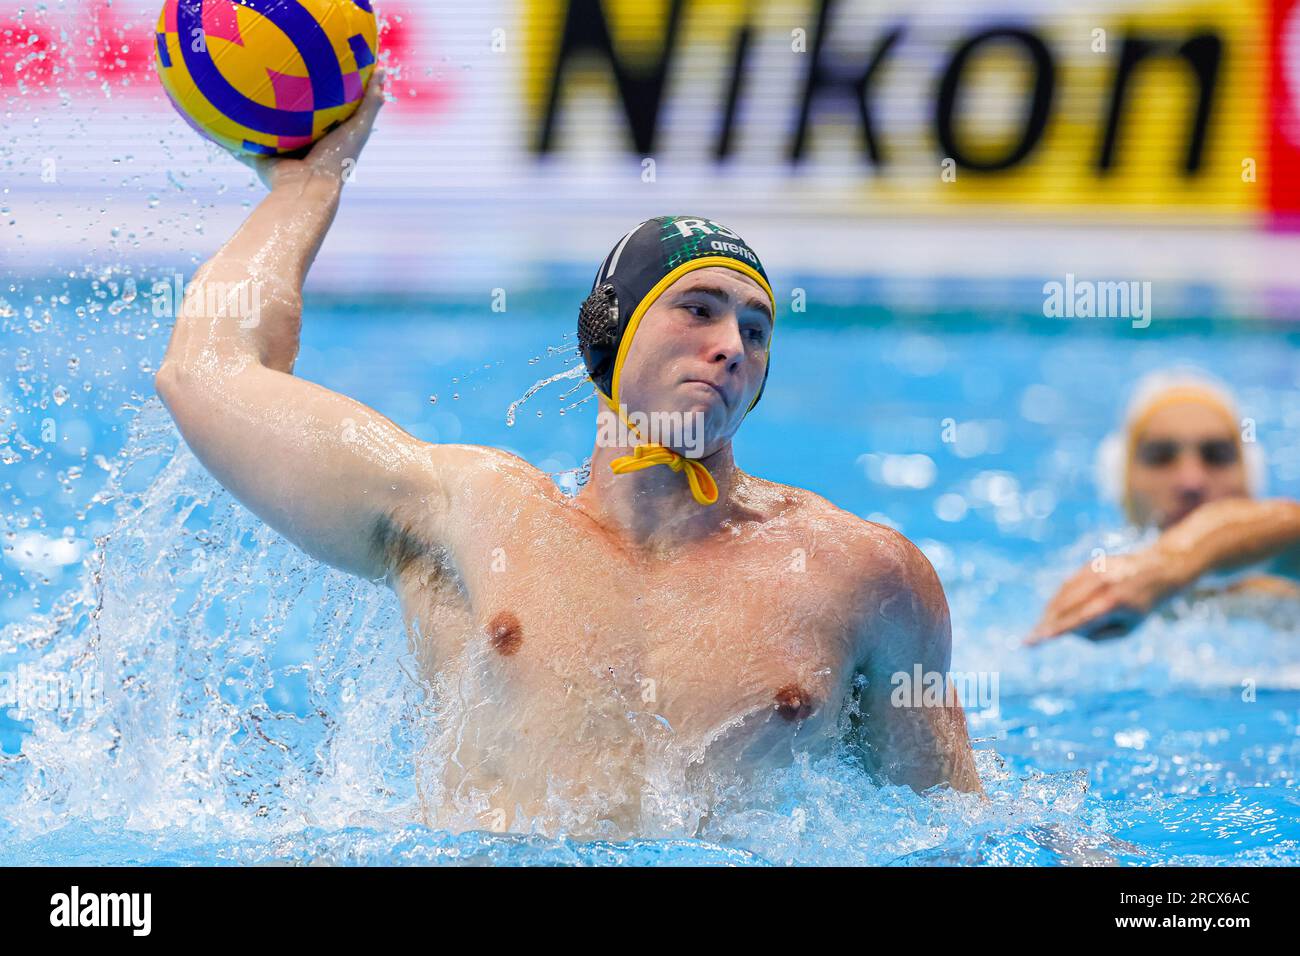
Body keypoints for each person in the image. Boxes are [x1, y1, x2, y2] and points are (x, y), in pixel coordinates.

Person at [154, 71, 981, 836]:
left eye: (756, 331)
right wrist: (309, 186)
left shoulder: (861, 574)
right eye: (697, 309)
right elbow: (207, 372)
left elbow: (959, 834)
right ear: (607, 333)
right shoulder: (462, 514)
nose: (732, 346)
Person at [1029, 369, 1300, 644]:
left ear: (1250, 475)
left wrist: (1171, 562)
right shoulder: (1075, 608)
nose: (1191, 481)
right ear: (1122, 482)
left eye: (1216, 456)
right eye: (1160, 457)